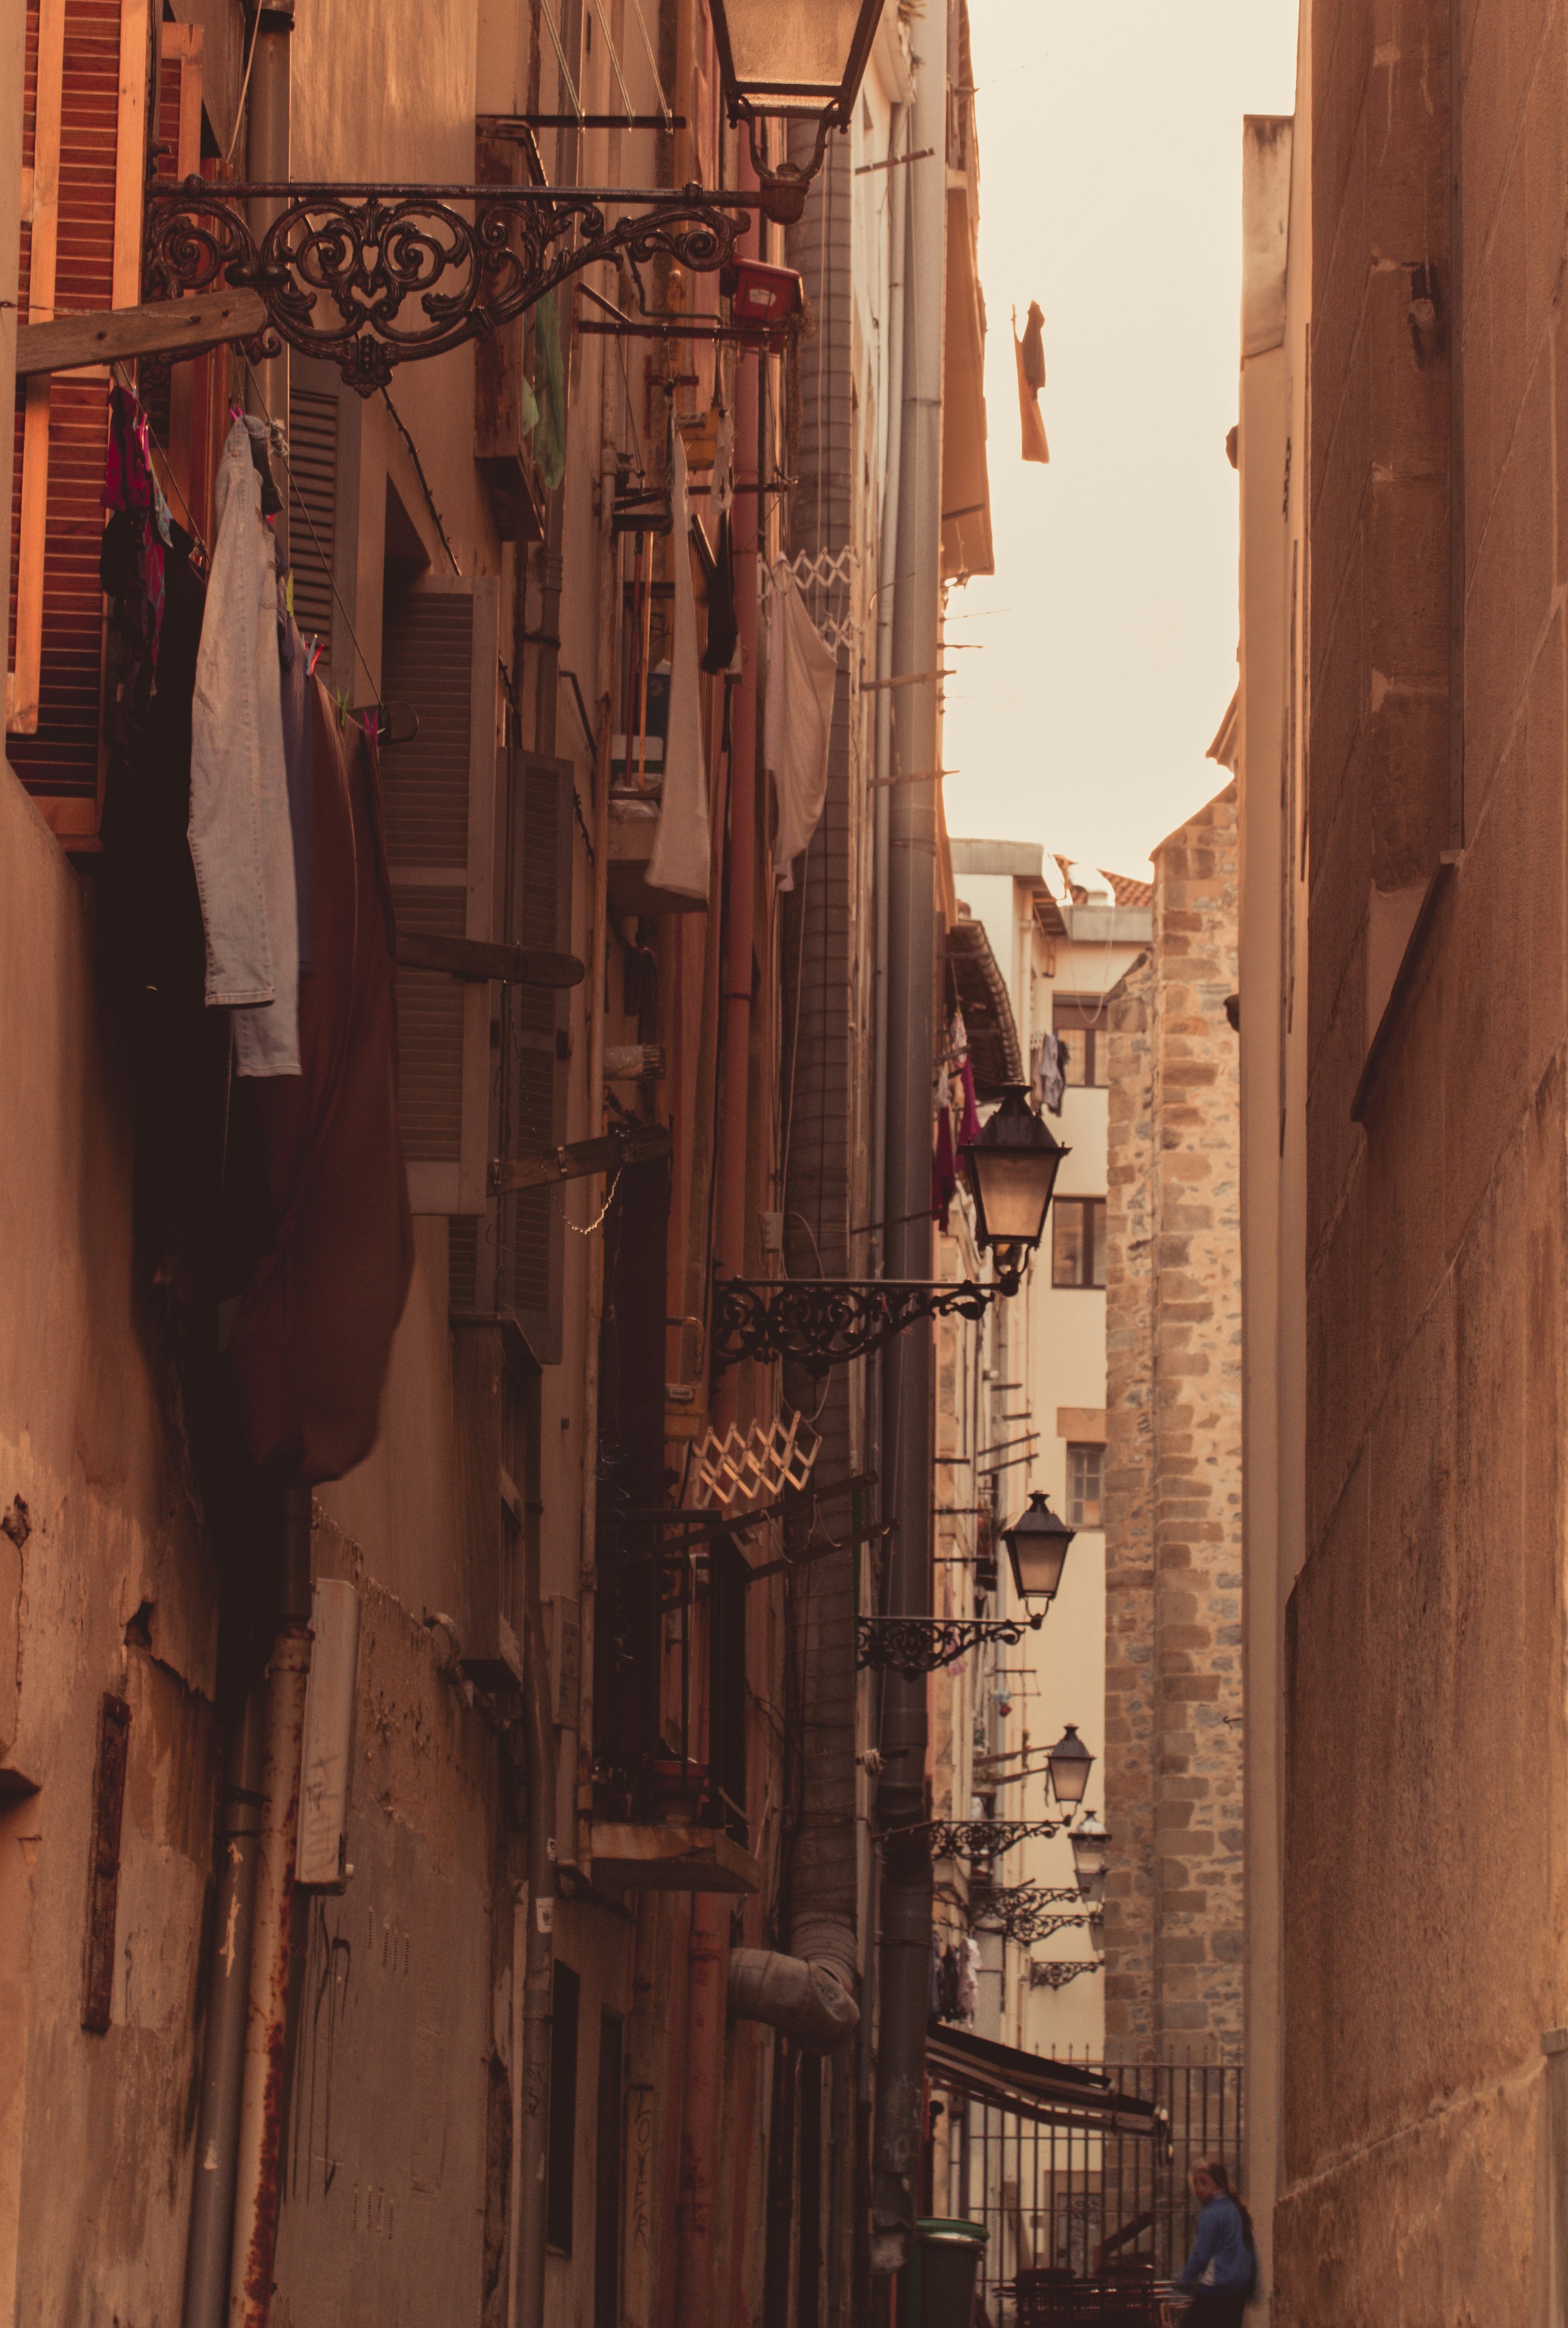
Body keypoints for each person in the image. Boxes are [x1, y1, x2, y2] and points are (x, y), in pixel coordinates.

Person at [1172, 2159, 1257, 2324]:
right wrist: (1253, 2286)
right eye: (1196, 2184)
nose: (1199, 2189)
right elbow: (1251, 2250)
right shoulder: (1236, 2210)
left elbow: (1201, 2254)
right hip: (1239, 2289)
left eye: (1204, 2183)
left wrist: (1184, 2280)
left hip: (1217, 2286)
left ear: (1219, 2185)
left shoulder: (1212, 2213)